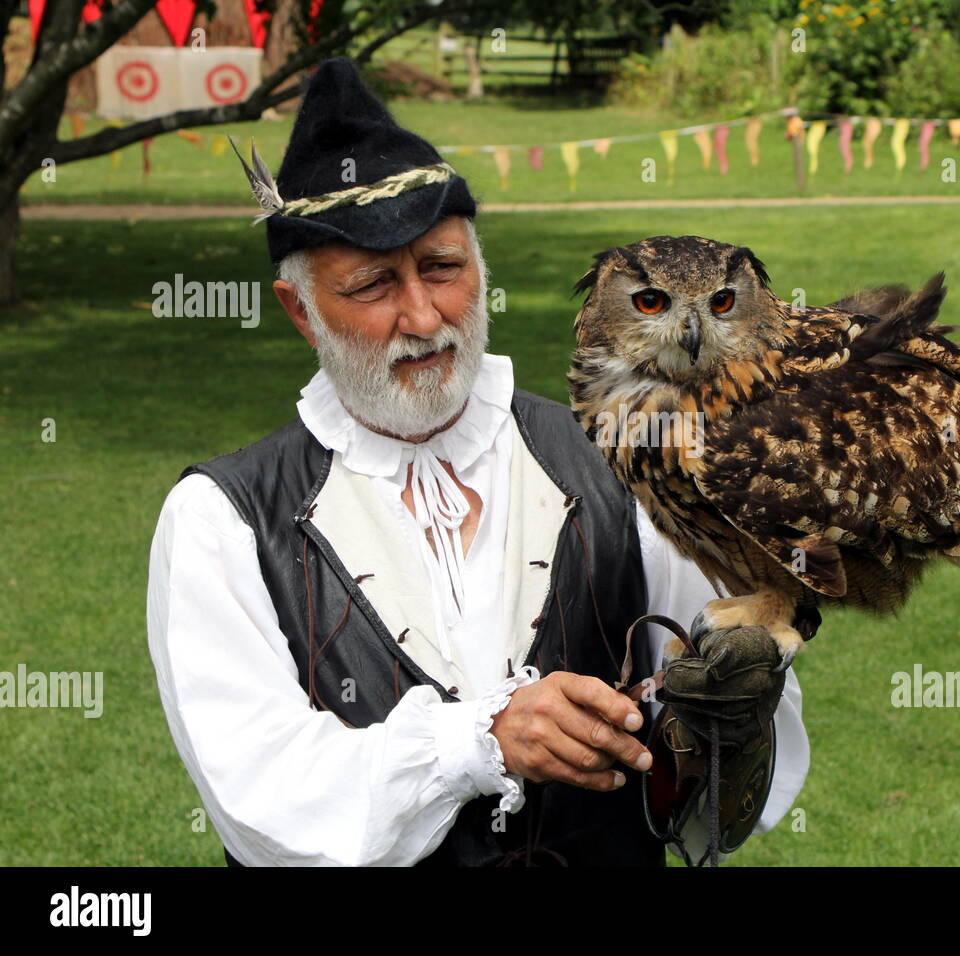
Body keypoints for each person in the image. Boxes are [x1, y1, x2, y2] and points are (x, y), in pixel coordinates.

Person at [146, 57, 808, 867]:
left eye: (443, 268)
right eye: (372, 286)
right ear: (301, 311)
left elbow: (721, 772)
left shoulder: (626, 461)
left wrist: (726, 709)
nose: (422, 316)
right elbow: (260, 796)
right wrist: (478, 741)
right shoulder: (223, 520)